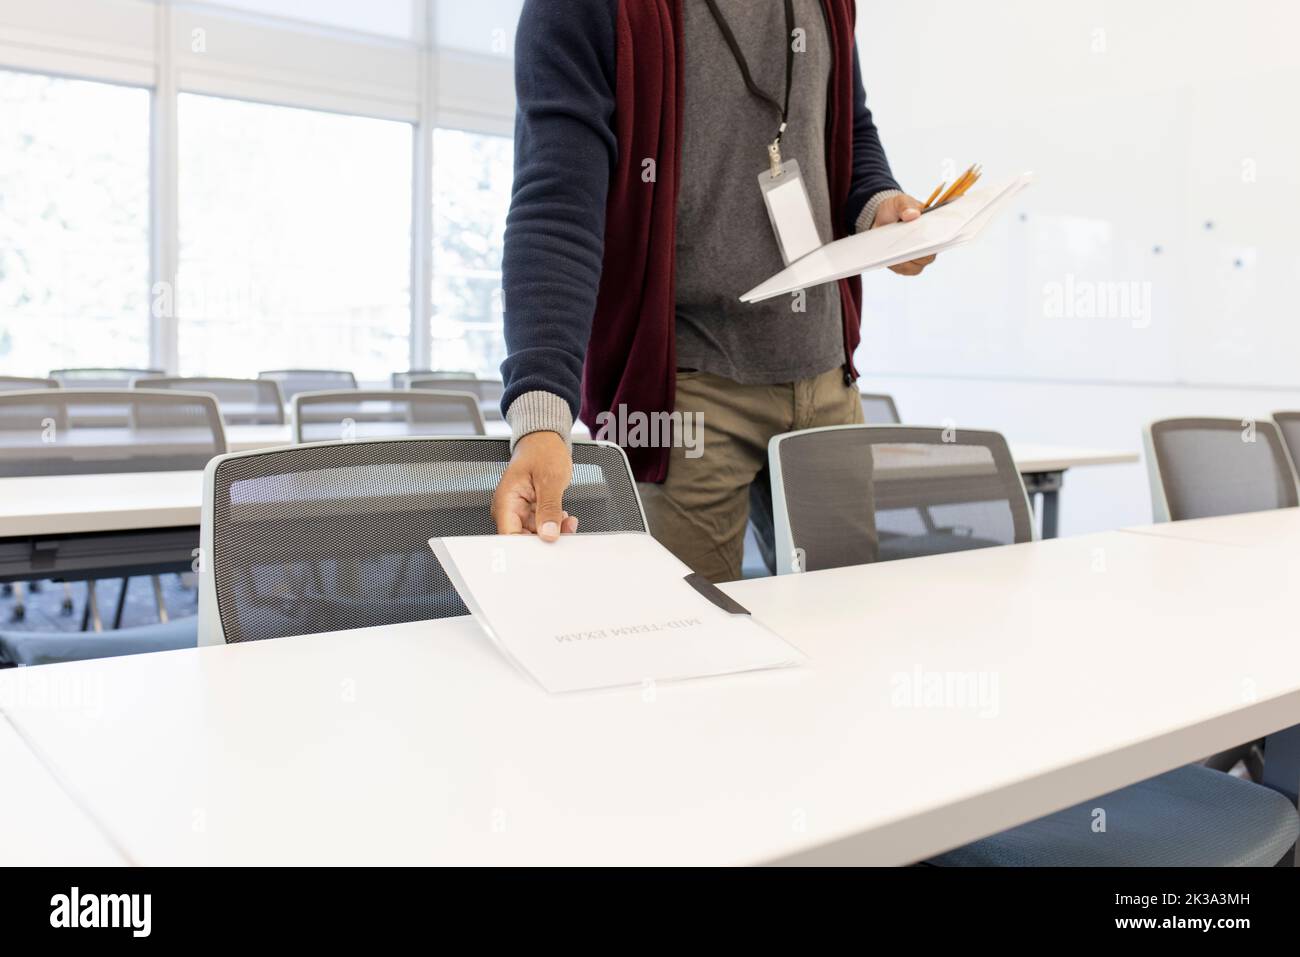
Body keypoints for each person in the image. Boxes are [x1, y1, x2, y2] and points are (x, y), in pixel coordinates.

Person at [492, 0, 934, 582]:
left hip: (826, 379)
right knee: (685, 655)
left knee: (846, 633)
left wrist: (877, 206)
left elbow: (848, 126)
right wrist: (543, 418)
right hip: (683, 397)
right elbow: (558, 208)